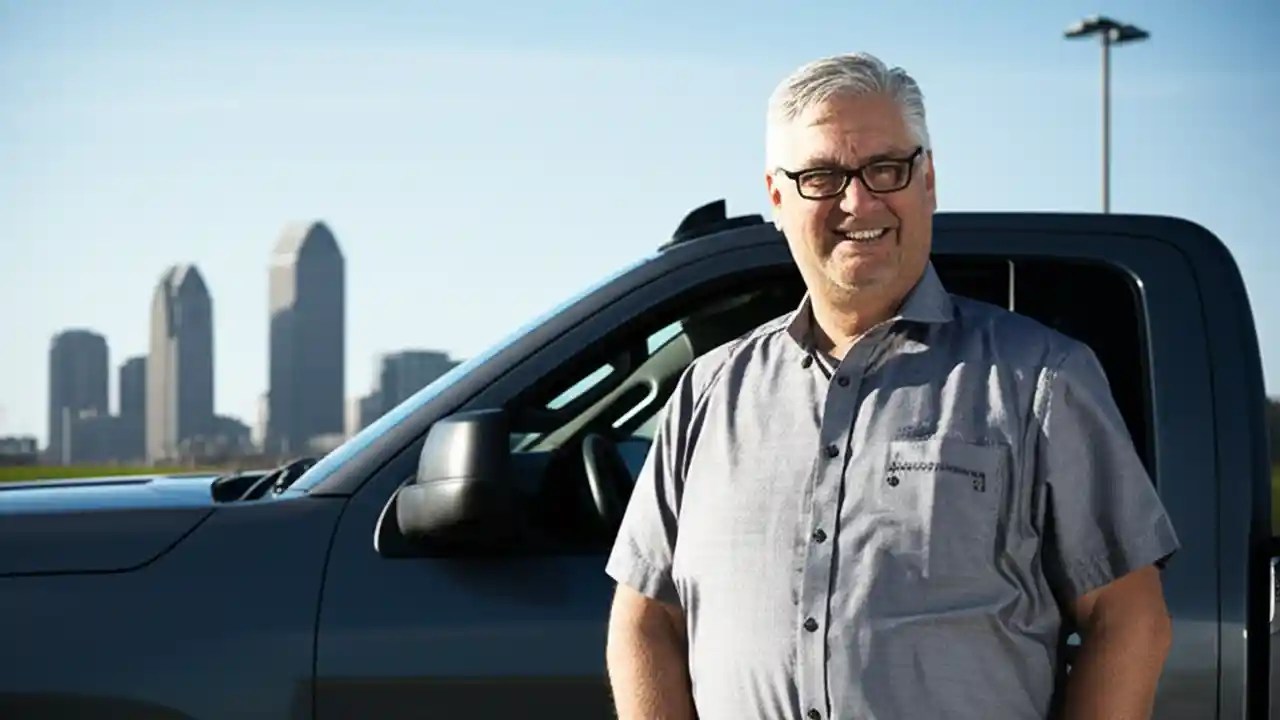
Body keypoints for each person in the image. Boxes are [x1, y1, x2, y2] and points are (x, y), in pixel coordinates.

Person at [603, 51, 1180, 720]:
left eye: (886, 169)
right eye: (821, 176)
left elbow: (1127, 618)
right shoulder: (709, 394)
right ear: (777, 197)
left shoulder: (1040, 381)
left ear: (928, 181)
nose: (857, 201)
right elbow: (645, 619)